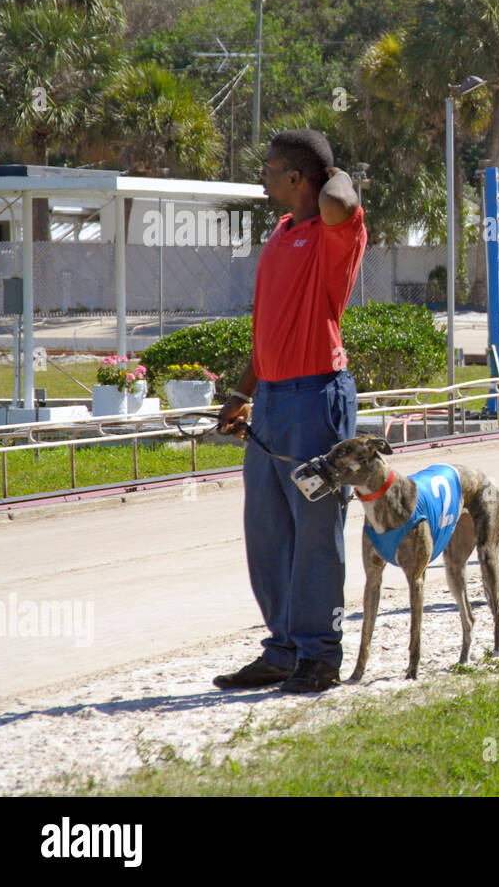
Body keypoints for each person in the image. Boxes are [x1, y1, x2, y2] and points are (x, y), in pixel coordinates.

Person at [213, 129, 366, 693]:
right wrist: (242, 392)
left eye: (274, 169)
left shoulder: (336, 230)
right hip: (273, 398)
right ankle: (281, 650)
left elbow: (341, 200)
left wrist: (336, 170)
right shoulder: (280, 232)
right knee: (270, 529)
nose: (265, 177)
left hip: (316, 397)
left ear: (299, 179)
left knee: (316, 530)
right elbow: (266, 329)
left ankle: (320, 655)